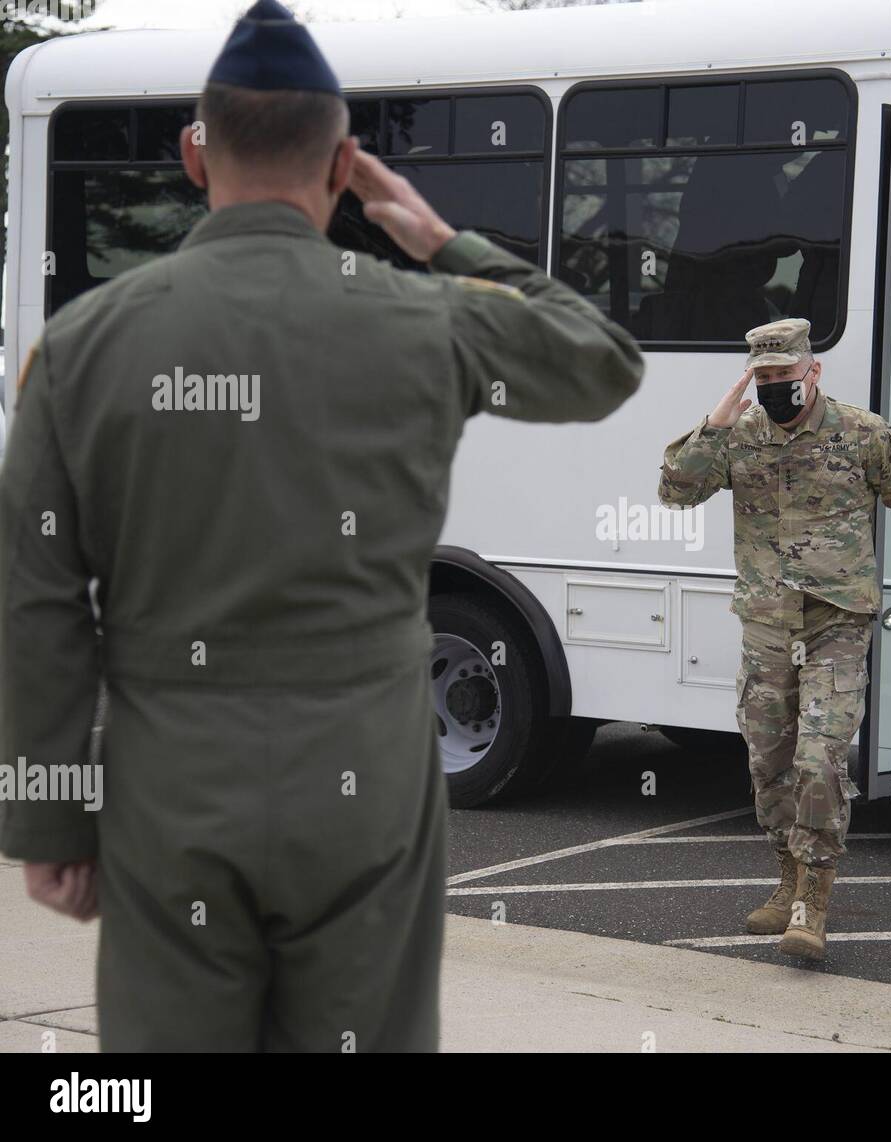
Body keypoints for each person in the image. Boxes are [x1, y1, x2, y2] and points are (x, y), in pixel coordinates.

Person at [0, 0, 642, 1051]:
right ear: (345, 167)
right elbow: (599, 360)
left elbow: (38, 600)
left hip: (174, 788)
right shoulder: (426, 317)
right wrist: (440, 239)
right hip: (367, 783)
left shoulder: (84, 345)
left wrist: (50, 816)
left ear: (193, 157)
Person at [658, 317, 891, 961]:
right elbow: (675, 491)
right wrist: (715, 421)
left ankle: (812, 902)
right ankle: (785, 877)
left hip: (836, 622)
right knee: (768, 762)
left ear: (811, 371)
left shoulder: (863, 434)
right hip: (766, 624)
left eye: (783, 377)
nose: (773, 388)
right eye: (760, 379)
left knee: (819, 760)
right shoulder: (738, 438)